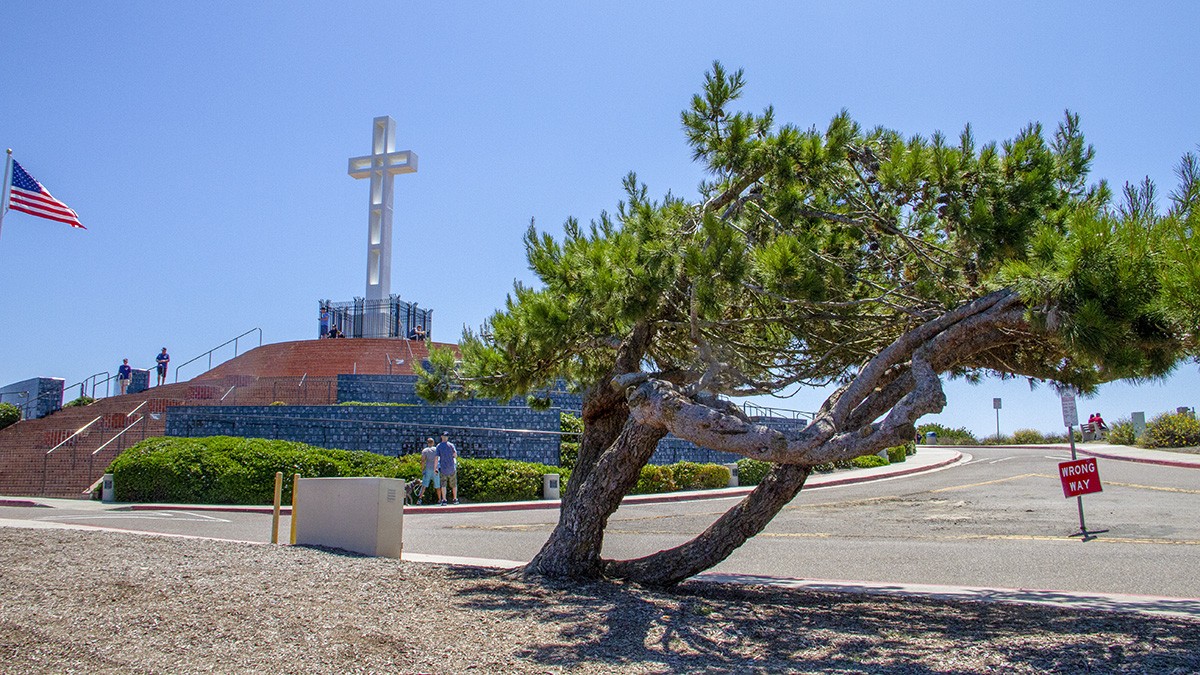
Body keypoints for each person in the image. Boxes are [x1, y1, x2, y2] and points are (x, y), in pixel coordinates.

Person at [436, 431, 458, 505]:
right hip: (451, 467)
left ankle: (444, 500)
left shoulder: (439, 446)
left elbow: (436, 457)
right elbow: (455, 455)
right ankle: (455, 499)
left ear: (441, 437)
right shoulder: (451, 445)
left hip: (443, 468)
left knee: (443, 485)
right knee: (454, 484)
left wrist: (435, 468)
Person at [420, 437, 441, 503]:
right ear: (433, 442)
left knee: (424, 485)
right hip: (435, 469)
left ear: (427, 443)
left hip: (428, 469)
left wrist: (422, 469)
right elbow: (438, 459)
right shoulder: (436, 449)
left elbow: (423, 460)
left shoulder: (425, 450)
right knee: (437, 486)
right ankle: (440, 499)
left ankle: (420, 499)